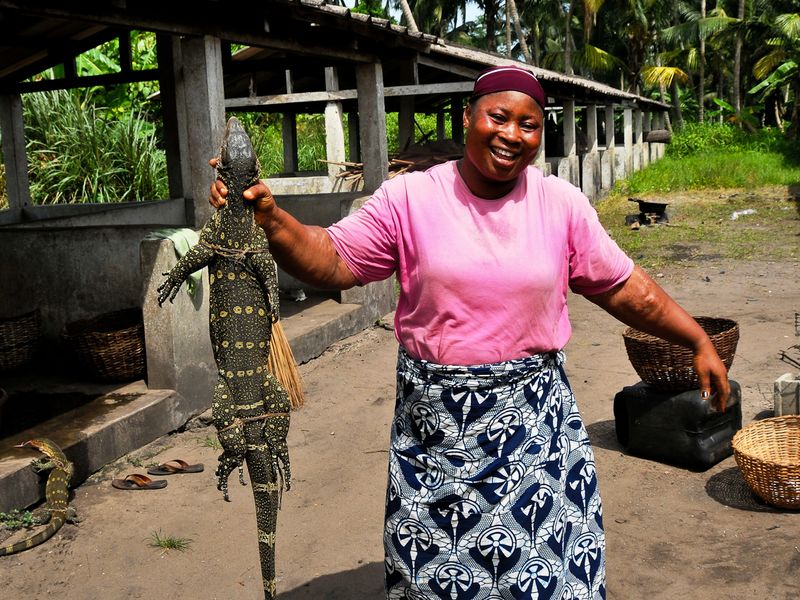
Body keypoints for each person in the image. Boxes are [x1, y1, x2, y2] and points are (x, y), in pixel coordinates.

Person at [210, 65, 731, 600]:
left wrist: (695, 339)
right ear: (468, 118)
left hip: (536, 439)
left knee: (550, 580)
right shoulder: (409, 199)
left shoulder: (560, 205)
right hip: (434, 440)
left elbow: (623, 287)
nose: (511, 135)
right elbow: (333, 261)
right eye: (498, 117)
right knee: (435, 582)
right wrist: (272, 219)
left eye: (528, 125)